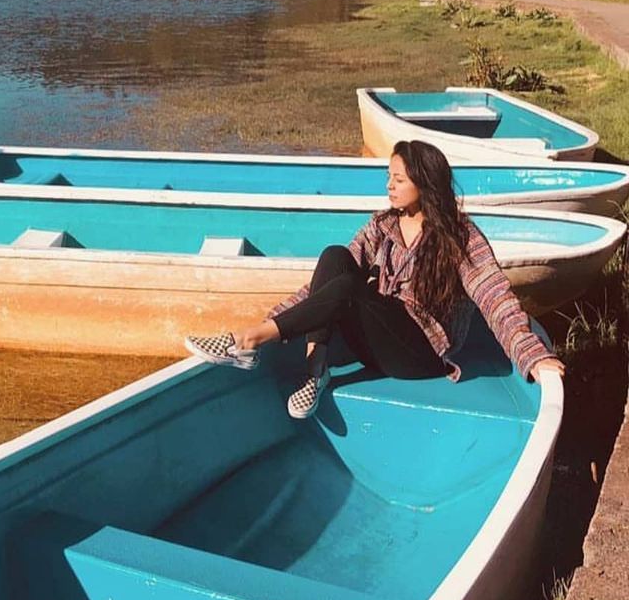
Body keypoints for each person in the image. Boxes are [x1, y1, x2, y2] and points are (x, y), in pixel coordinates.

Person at [185, 139, 565, 420]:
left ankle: (246, 342)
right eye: (389, 177)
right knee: (335, 255)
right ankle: (315, 367)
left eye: (398, 179)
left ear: (424, 182)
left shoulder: (459, 235)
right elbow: (324, 286)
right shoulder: (382, 225)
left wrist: (533, 357)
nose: (389, 186)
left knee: (353, 288)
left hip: (421, 354)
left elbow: (494, 296)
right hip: (378, 340)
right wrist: (277, 316)